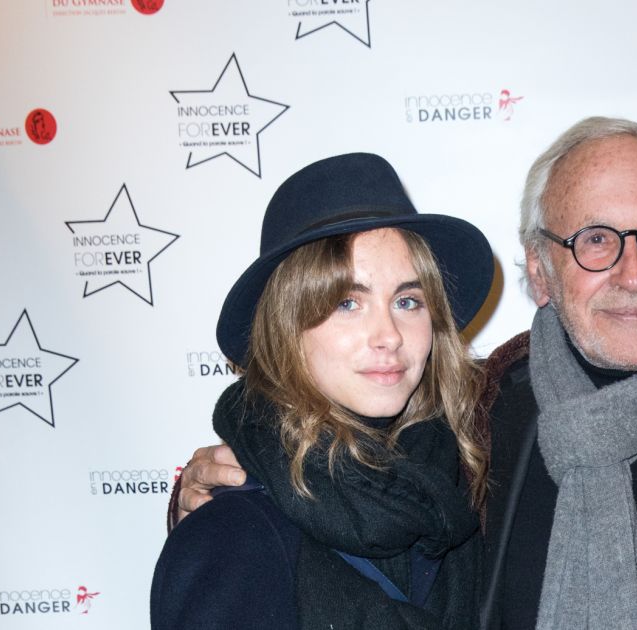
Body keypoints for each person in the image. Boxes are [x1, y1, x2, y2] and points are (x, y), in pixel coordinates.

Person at [173, 118, 637, 629]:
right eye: (594, 240)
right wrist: (204, 509)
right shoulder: (485, 413)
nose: (631, 272)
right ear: (540, 269)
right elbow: (327, 513)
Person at [150, 153, 494, 629]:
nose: (389, 335)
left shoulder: (461, 490)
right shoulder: (233, 532)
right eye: (348, 302)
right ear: (285, 326)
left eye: (408, 301)